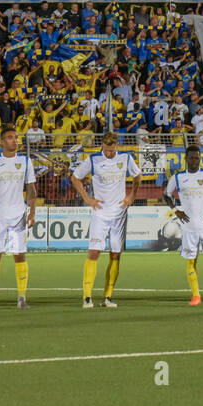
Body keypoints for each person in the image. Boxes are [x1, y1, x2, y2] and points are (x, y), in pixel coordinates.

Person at [69, 132, 141, 308]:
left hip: (119, 212)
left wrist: (131, 197)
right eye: (107, 150)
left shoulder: (125, 158)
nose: (109, 153)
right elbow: (75, 178)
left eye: (112, 149)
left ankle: (107, 297)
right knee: (94, 252)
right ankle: (87, 297)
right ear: (102, 145)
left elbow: (137, 176)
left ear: (117, 145)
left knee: (115, 254)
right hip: (100, 213)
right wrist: (88, 199)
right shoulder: (93, 159)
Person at [162, 144, 203, 306]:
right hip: (189, 227)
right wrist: (175, 210)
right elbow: (166, 195)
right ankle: (196, 295)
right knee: (191, 260)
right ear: (186, 158)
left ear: (200, 158)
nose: (194, 161)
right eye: (192, 158)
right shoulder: (178, 178)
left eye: (197, 158)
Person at [0, 126, 37, 310]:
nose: (15, 140)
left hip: (18, 214)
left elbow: (31, 189)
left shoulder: (26, 161)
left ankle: (21, 298)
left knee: (19, 255)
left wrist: (32, 212)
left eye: (16, 137)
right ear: (2, 142)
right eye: (10, 137)